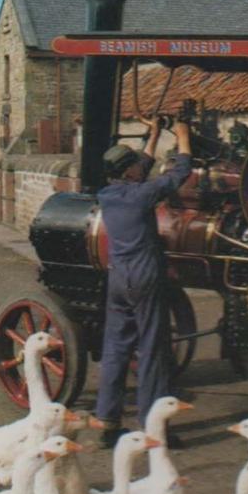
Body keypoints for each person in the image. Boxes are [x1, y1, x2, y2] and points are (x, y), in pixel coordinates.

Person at [94, 116, 192, 446]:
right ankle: (155, 428)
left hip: (118, 278)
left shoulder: (107, 194)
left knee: (117, 347)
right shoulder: (142, 194)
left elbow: (143, 166)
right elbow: (179, 174)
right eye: (135, 166)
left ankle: (107, 422)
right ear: (129, 172)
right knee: (152, 348)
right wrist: (182, 137)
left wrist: (154, 134)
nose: (141, 167)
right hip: (144, 275)